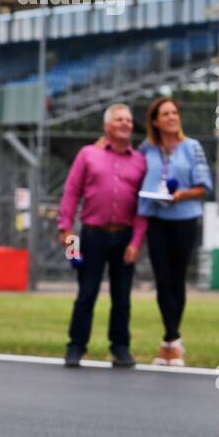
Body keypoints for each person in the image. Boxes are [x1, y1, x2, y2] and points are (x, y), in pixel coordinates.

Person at [57, 103, 147, 369]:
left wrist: (136, 241)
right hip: (92, 235)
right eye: (119, 119)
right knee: (87, 293)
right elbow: (72, 191)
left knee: (122, 297)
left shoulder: (140, 162)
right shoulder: (88, 154)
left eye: (129, 120)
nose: (125, 124)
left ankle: (120, 348)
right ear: (107, 126)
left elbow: (143, 207)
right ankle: (76, 346)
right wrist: (66, 229)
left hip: (124, 236)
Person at [137, 97, 212, 366]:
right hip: (156, 218)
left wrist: (183, 195)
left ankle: (171, 342)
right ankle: (172, 340)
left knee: (177, 279)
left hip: (184, 217)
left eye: (174, 113)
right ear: (155, 121)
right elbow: (130, 167)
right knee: (162, 278)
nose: (171, 117)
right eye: (165, 114)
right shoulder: (147, 148)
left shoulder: (192, 147)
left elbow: (205, 187)